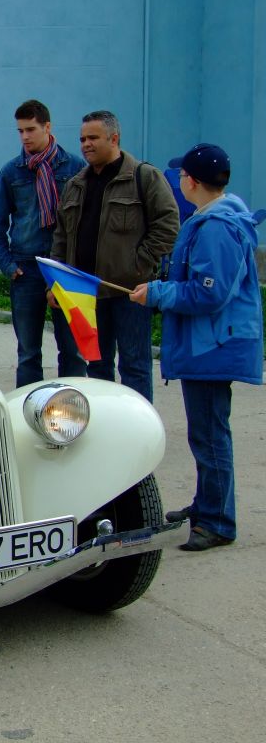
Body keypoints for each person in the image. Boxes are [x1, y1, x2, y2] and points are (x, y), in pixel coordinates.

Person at [129, 143, 262, 551]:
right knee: (205, 432)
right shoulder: (210, 218)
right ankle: (207, 505)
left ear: (194, 181)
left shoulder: (217, 227)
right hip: (208, 345)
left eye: (182, 175)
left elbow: (209, 294)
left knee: (209, 434)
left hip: (212, 347)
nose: (178, 181)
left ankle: (218, 522)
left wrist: (157, 293)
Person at [49, 110, 179, 402]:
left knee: (134, 366)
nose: (86, 144)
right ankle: (106, 431)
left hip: (129, 294)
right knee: (96, 367)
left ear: (114, 138)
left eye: (93, 137)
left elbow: (168, 225)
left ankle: (138, 434)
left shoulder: (143, 177)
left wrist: (138, 264)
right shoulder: (76, 184)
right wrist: (56, 282)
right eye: (82, 139)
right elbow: (60, 237)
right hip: (85, 295)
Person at [0, 99, 88, 387]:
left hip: (64, 267)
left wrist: (77, 265)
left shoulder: (74, 167)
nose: (25, 137)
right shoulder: (12, 172)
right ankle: (28, 413)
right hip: (26, 267)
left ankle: (72, 411)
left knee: (72, 350)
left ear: (47, 127)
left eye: (30, 129)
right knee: (28, 352)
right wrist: (8, 266)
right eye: (20, 131)